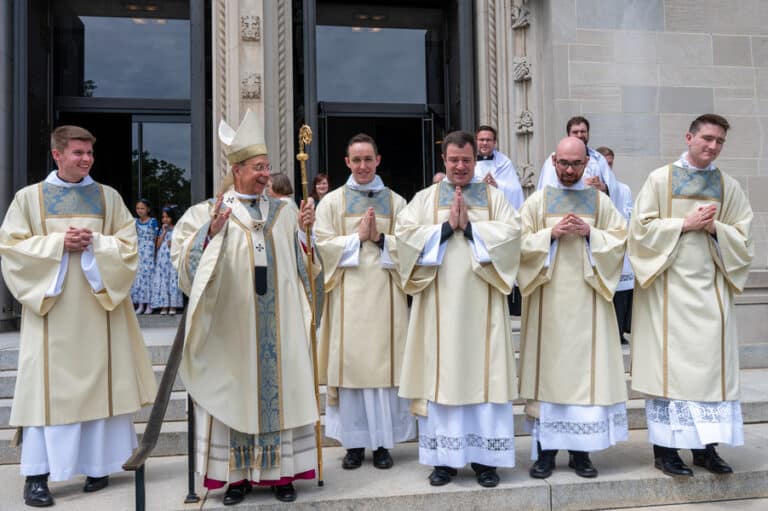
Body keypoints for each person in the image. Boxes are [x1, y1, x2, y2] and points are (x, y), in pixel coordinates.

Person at [0, 125, 157, 507]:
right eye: (77, 153)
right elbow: (11, 249)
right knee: (46, 394)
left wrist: (95, 246)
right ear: (57, 155)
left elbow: (128, 247)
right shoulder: (29, 199)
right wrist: (58, 245)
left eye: (89, 154)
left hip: (99, 313)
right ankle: (37, 476)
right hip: (52, 315)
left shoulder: (108, 197)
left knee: (101, 389)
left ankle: (98, 465)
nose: (85, 160)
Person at [171, 110, 323, 505]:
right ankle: (236, 478)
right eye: (258, 168)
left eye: (268, 167)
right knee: (234, 397)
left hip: (280, 327)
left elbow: (308, 266)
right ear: (236, 170)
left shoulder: (285, 211)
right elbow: (185, 266)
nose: (265, 174)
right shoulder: (208, 213)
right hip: (232, 327)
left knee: (281, 394)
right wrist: (210, 235)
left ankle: (282, 476)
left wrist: (307, 236)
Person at [629, 114, 754, 477]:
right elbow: (639, 230)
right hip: (667, 294)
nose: (713, 147)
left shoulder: (727, 186)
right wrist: (684, 224)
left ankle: (706, 449)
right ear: (689, 137)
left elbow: (744, 238)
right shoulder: (659, 180)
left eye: (719, 142)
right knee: (670, 376)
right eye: (707, 139)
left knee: (709, 376)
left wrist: (716, 228)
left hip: (710, 293)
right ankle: (665, 451)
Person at [395, 131, 521, 488]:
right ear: (444, 161)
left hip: (483, 306)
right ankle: (444, 461)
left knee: (484, 379)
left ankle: (485, 460)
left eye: (466, 160)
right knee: (443, 380)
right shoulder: (424, 199)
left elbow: (514, 236)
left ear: (475, 161)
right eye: (454, 160)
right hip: (438, 306)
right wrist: (448, 229)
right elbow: (405, 238)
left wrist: (474, 229)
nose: (460, 166)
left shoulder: (495, 199)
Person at [517, 136, 629, 480]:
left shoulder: (600, 202)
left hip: (588, 305)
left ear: (587, 164)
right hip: (548, 305)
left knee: (585, 378)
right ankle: (546, 453)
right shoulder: (537, 203)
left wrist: (590, 232)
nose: (569, 170)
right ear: (553, 161)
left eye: (576, 164)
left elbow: (621, 239)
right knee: (550, 377)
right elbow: (515, 245)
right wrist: (550, 234)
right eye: (563, 163)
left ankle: (582, 453)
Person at [315, 133, 415, 471]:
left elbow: (411, 246)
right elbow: (320, 246)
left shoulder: (397, 202)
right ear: (347, 162)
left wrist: (381, 239)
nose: (362, 166)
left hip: (385, 298)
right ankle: (354, 445)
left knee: (383, 376)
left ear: (378, 160)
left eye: (367, 159)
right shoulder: (331, 202)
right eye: (356, 160)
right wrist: (356, 239)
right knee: (352, 374)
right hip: (347, 298)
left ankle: (383, 444)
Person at [475, 125, 526, 315]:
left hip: (498, 223)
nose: (485, 143)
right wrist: (479, 186)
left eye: (488, 140)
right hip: (478, 223)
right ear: (476, 141)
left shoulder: (504, 163)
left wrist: (497, 186)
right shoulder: (468, 161)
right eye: (481, 139)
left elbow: (514, 190)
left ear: (495, 143)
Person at [595, 147, 634, 345]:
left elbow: (628, 216)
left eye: (610, 163)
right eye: (605, 163)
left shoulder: (623, 189)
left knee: (620, 293)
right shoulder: (584, 187)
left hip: (617, 245)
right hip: (595, 246)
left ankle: (618, 331)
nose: (607, 167)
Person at [537, 116, 620, 203]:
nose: (580, 135)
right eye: (575, 132)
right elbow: (545, 190)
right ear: (568, 134)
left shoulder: (598, 159)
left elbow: (614, 189)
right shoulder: (555, 158)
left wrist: (603, 187)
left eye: (583, 131)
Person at [150, 207, 184, 315]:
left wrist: (173, 243)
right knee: (163, 281)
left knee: (172, 280)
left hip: (172, 258)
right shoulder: (162, 229)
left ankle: (173, 305)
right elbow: (158, 245)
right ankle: (164, 305)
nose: (165, 219)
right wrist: (164, 232)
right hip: (162, 260)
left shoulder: (177, 228)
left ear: (172, 217)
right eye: (163, 217)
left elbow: (182, 243)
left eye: (167, 217)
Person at [131, 198, 158, 315]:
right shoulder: (135, 222)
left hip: (149, 251)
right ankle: (141, 304)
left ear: (148, 209)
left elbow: (156, 238)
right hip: (139, 251)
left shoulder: (153, 221)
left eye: (142, 208)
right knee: (139, 278)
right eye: (138, 208)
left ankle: (149, 305)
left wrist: (155, 253)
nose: (140, 210)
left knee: (149, 278)